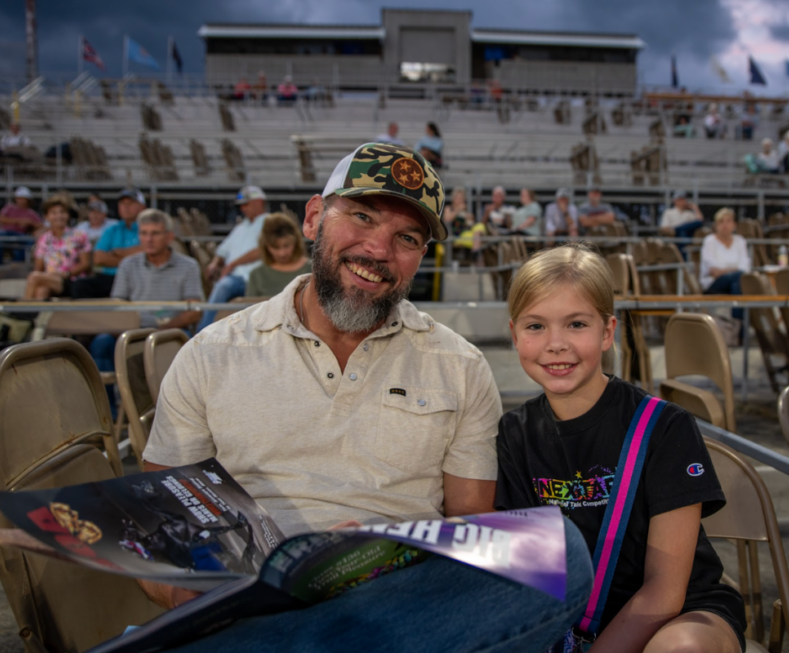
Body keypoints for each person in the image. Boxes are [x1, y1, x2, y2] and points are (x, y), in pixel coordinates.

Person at [139, 143, 592, 650]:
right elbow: (158, 541)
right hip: (255, 600)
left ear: (422, 256)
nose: (378, 251)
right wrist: (211, 590)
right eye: (361, 216)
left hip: (399, 596)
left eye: (406, 237)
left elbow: (470, 530)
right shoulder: (211, 354)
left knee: (559, 552)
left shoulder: (459, 365)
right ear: (313, 218)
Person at [496, 245, 746, 653]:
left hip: (676, 612)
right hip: (567, 621)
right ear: (514, 335)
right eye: (535, 326)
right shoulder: (514, 433)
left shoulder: (665, 427)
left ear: (608, 331)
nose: (555, 344)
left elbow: (665, 590)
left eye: (576, 324)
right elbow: (527, 571)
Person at [89, 209, 204, 392]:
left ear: (169, 237)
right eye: (144, 233)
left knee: (186, 342)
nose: (148, 239)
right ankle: (107, 412)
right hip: (131, 329)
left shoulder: (188, 266)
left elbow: (194, 311)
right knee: (101, 343)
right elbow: (117, 305)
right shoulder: (127, 264)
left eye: (155, 233)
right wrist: (127, 329)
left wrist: (162, 330)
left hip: (170, 330)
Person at [196, 186, 269, 330]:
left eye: (246, 204)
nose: (243, 209)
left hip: (254, 277)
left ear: (259, 202)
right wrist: (215, 263)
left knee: (223, 286)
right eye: (241, 206)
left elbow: (265, 249)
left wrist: (231, 265)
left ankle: (200, 333)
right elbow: (223, 250)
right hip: (234, 276)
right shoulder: (241, 227)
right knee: (219, 285)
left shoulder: (270, 222)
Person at [72, 188, 145, 298]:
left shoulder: (149, 228)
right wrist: (134, 254)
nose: (126, 207)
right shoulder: (112, 229)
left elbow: (149, 253)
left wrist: (117, 252)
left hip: (139, 277)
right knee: (80, 285)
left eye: (131, 203)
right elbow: (99, 259)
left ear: (142, 207)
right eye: (122, 203)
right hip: (111, 277)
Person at [23, 194, 92, 300]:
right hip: (50, 279)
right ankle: (35, 315)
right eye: (54, 213)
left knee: (33, 277)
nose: (59, 216)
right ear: (47, 216)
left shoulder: (79, 236)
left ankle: (22, 310)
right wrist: (47, 276)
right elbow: (39, 267)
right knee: (41, 290)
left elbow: (85, 264)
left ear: (68, 215)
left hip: (72, 280)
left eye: (62, 212)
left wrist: (65, 274)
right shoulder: (44, 239)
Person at [700, 208, 750, 323]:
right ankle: (740, 327)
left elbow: (745, 267)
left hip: (734, 282)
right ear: (716, 225)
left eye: (728, 221)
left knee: (736, 284)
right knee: (738, 277)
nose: (725, 225)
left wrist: (724, 270)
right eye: (721, 221)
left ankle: (735, 327)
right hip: (713, 284)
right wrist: (734, 269)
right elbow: (713, 271)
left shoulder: (740, 241)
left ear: (734, 224)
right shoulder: (709, 241)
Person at [244, 212, 311, 297]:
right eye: (275, 247)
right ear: (266, 246)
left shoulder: (313, 269)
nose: (282, 253)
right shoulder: (256, 275)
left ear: (296, 242)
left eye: (286, 246)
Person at [0, 186, 43, 262]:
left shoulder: (31, 213)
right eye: (19, 198)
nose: (21, 201)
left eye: (24, 199)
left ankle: (18, 262)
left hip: (20, 234)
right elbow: (0, 218)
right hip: (5, 232)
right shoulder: (9, 208)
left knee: (29, 241)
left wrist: (30, 222)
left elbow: (40, 225)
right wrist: (18, 221)